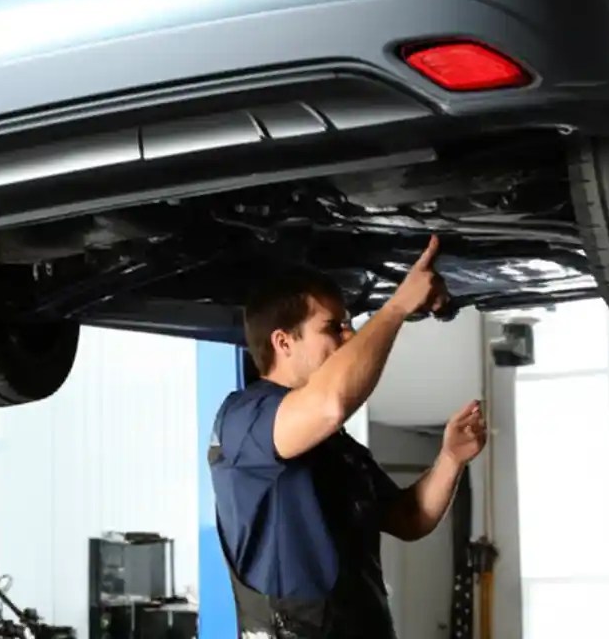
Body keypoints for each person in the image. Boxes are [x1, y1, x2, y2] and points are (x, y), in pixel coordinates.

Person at [207, 235, 487, 639]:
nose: (349, 337)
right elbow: (330, 404)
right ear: (283, 342)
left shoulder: (337, 447)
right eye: (333, 328)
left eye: (349, 325)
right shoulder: (243, 418)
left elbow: (409, 518)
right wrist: (397, 306)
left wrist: (450, 458)